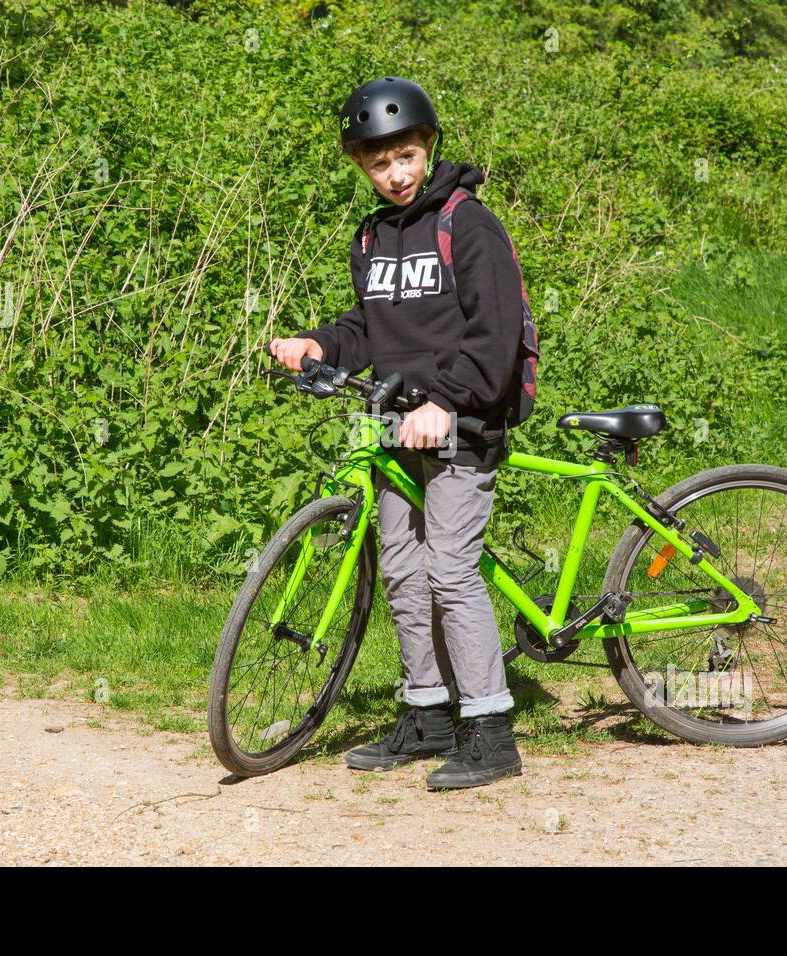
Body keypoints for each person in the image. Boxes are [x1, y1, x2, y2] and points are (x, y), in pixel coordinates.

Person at [268, 76, 525, 789]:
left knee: (449, 567)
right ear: (361, 167)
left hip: (463, 422)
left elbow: (495, 332)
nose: (396, 174)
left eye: (406, 156)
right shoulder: (371, 236)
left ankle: (490, 728)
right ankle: (427, 712)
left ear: (429, 146)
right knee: (405, 573)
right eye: (379, 164)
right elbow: (367, 326)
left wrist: (447, 401)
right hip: (396, 425)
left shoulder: (468, 225)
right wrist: (318, 344)